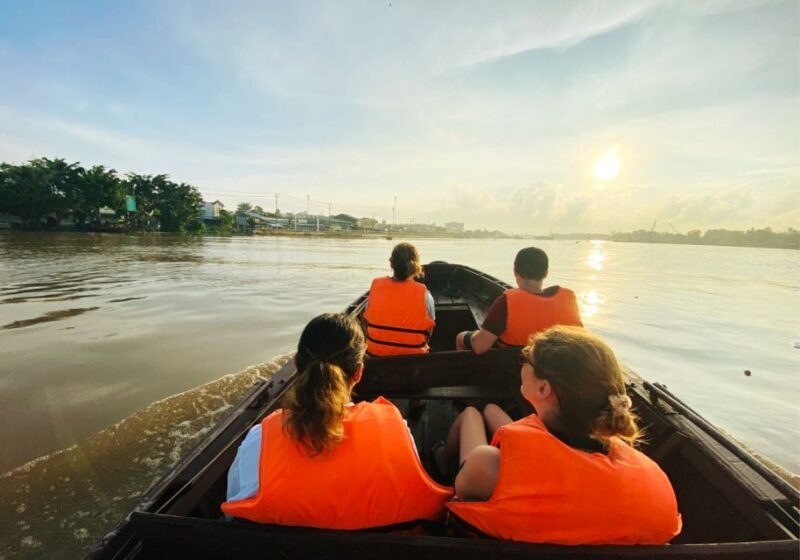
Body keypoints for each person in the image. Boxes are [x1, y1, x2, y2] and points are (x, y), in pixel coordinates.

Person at [436, 326, 682, 545]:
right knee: (490, 410)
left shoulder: (487, 467)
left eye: (525, 358)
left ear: (543, 388)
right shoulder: (654, 482)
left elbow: (462, 491)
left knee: (471, 414)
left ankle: (440, 458)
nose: (521, 362)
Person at [222, 313, 452, 529]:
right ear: (359, 372)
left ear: (296, 364)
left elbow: (232, 515)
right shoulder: (396, 429)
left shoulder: (259, 441)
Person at [456, 247, 582, 354]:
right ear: (546, 273)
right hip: (556, 373)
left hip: (515, 373)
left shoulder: (505, 303)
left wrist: (474, 335)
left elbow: (480, 347)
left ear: (515, 272)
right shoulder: (568, 301)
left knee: (461, 337)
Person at [362, 242, 436, 356]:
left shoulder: (376, 286)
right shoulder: (425, 295)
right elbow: (429, 331)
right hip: (414, 358)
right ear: (415, 266)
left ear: (391, 263)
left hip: (375, 355)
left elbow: (366, 321)